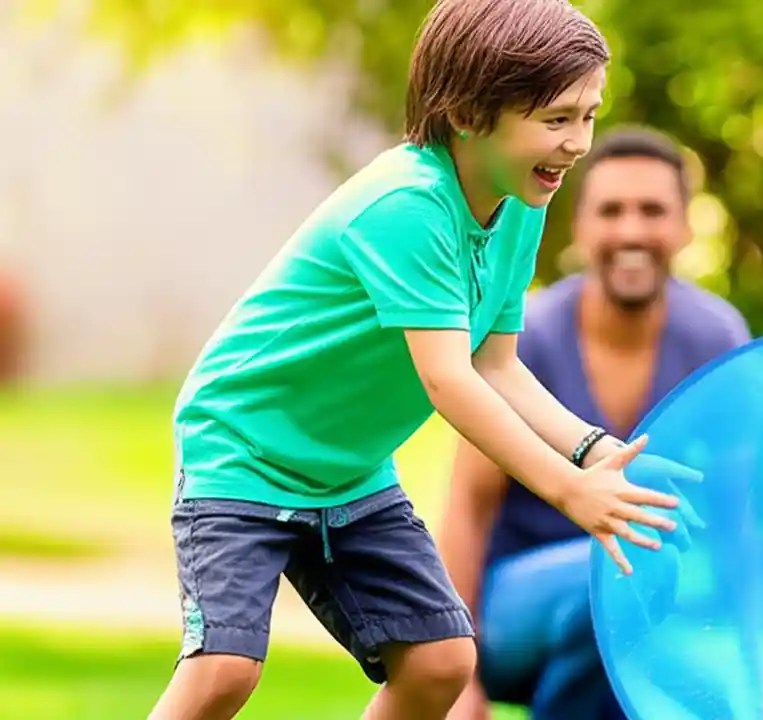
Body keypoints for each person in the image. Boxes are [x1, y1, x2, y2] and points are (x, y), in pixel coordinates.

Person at [147, 3, 696, 719]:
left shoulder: (519, 205)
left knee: (441, 662)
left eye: (588, 116)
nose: (578, 143)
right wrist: (567, 492)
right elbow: (449, 381)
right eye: (558, 119)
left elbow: (498, 366)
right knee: (224, 671)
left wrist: (593, 452)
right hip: (244, 451)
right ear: (470, 113)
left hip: (347, 472)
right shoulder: (408, 204)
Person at [438, 126, 753, 720]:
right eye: (611, 211)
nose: (631, 231)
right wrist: (461, 674)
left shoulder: (717, 338)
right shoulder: (524, 336)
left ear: (685, 227)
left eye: (652, 211)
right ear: (580, 228)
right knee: (624, 569)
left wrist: (757, 672)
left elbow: (739, 527)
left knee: (725, 706)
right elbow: (467, 508)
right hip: (511, 614)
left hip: (646, 616)